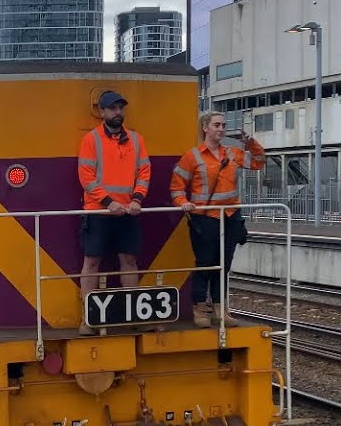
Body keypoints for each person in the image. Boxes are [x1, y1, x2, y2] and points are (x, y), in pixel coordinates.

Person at [169, 112, 265, 327]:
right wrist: (182, 202)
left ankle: (221, 311)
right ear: (205, 127)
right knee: (205, 264)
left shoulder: (232, 153)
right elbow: (176, 186)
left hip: (230, 216)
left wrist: (250, 142)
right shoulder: (192, 156)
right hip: (204, 218)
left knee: (224, 264)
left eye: (223, 125)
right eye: (216, 125)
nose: (221, 129)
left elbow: (259, 162)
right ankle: (200, 309)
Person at [77, 90, 151, 334]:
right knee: (92, 261)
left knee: (129, 260)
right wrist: (109, 202)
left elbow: (144, 173)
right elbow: (86, 177)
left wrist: (138, 200)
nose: (118, 112)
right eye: (112, 108)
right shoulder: (91, 140)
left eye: (120, 108)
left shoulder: (137, 140)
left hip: (129, 212)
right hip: (98, 212)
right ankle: (88, 319)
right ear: (102, 112)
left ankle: (132, 316)